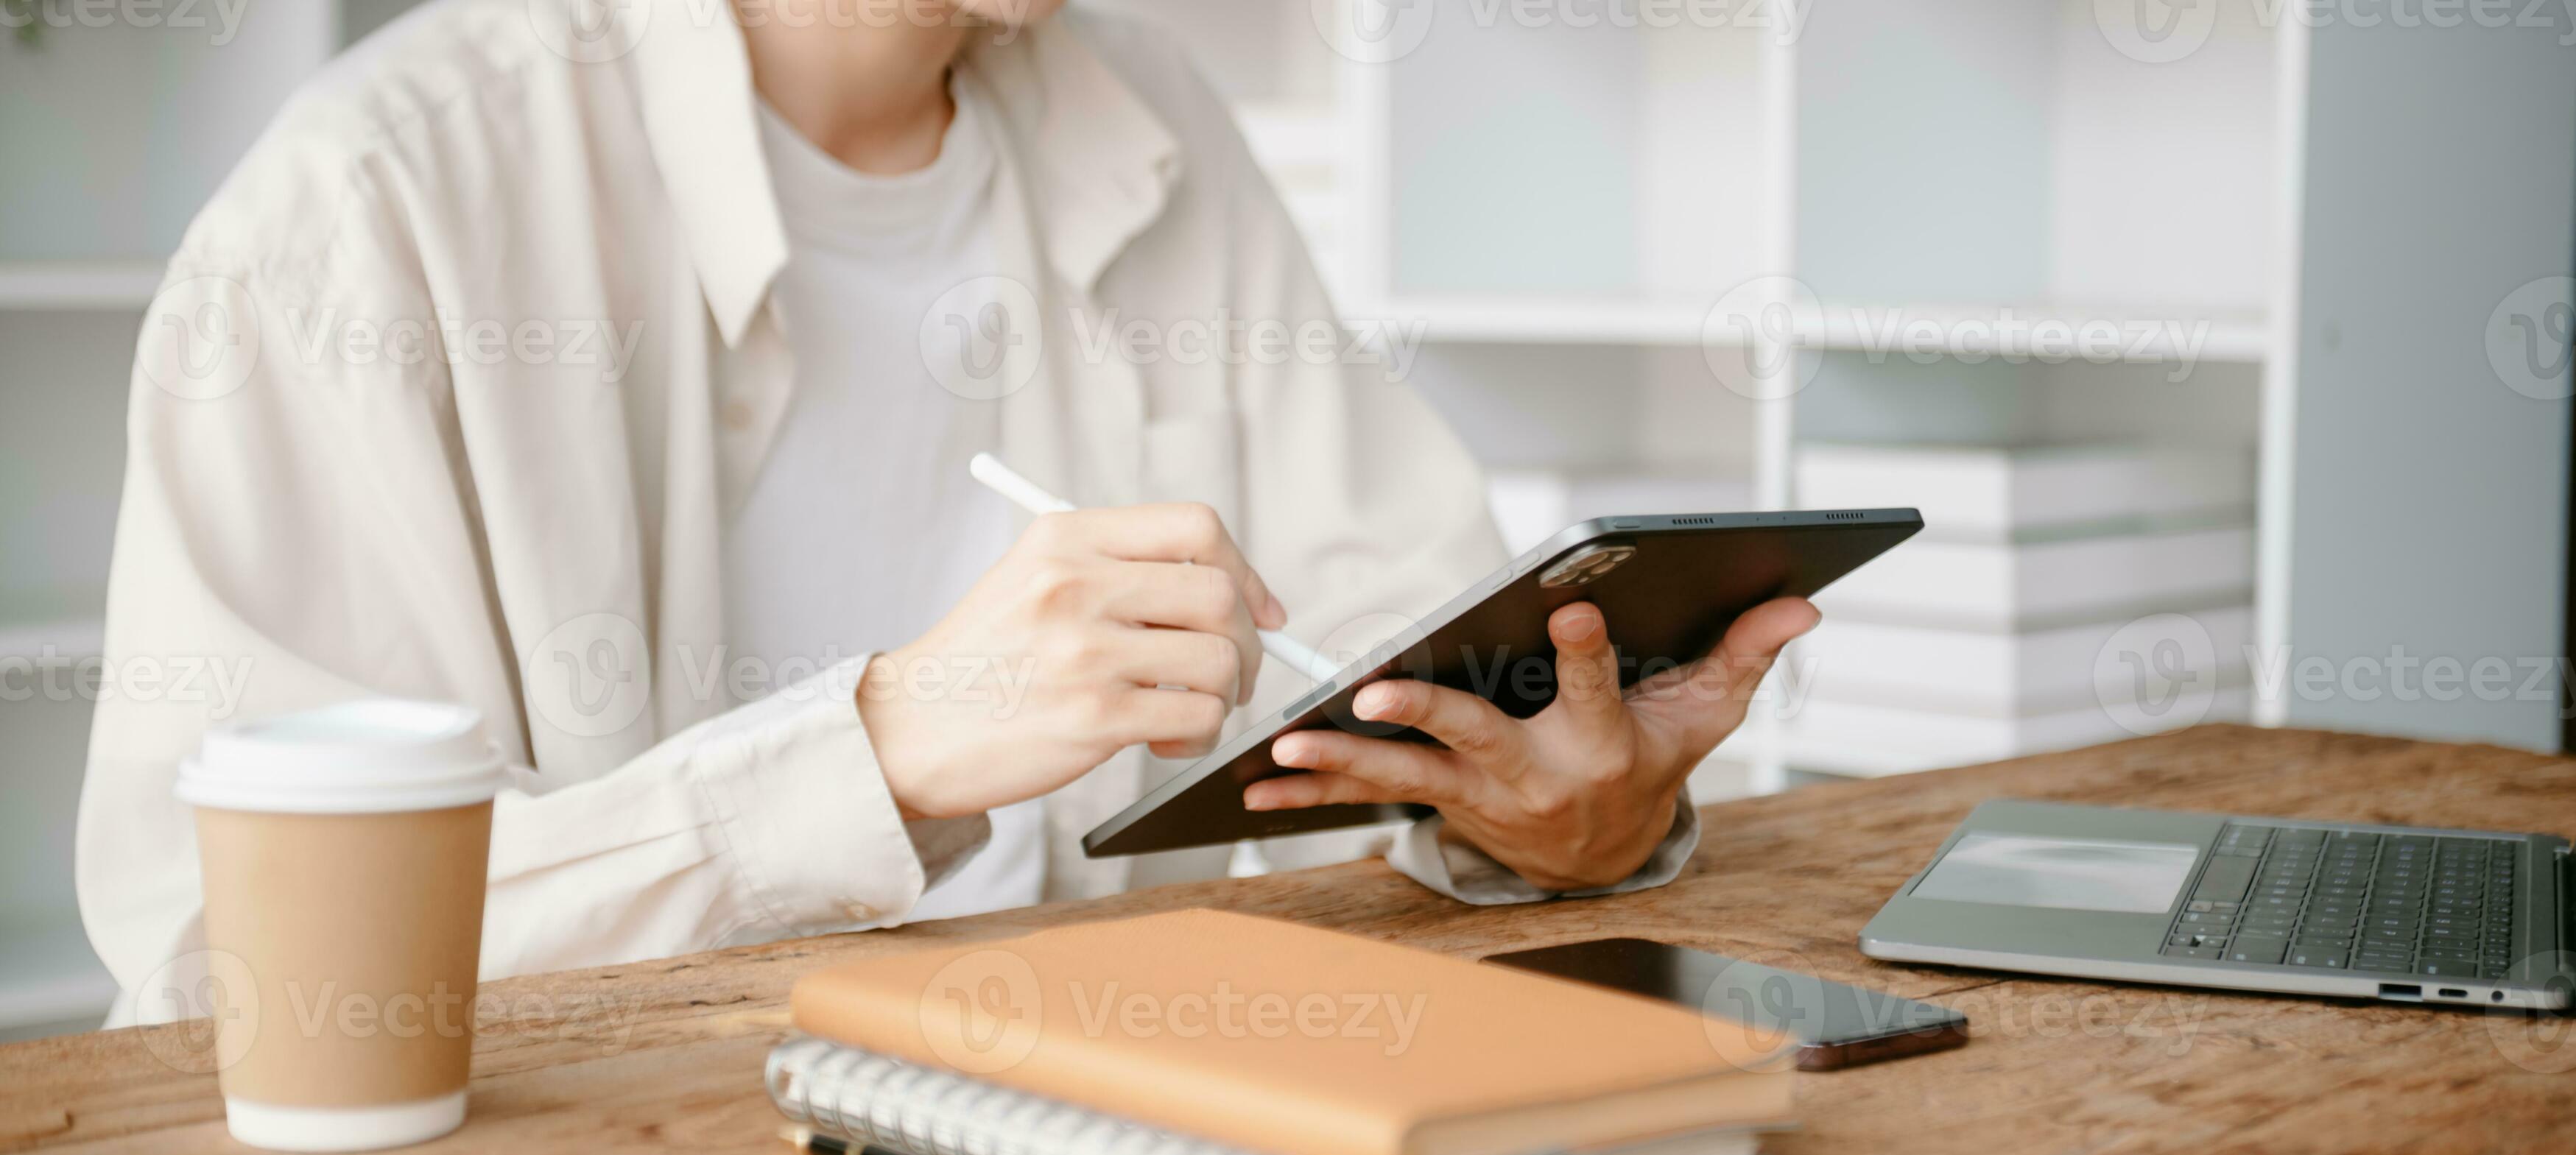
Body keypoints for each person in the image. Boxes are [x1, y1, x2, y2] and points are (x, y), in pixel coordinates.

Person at [79, 0, 1818, 1020]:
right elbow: (234, 960)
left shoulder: (1145, 116)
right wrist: (877, 751)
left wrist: (1541, 809)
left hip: (1104, 1118)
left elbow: (1400, 648)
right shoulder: (372, 208)